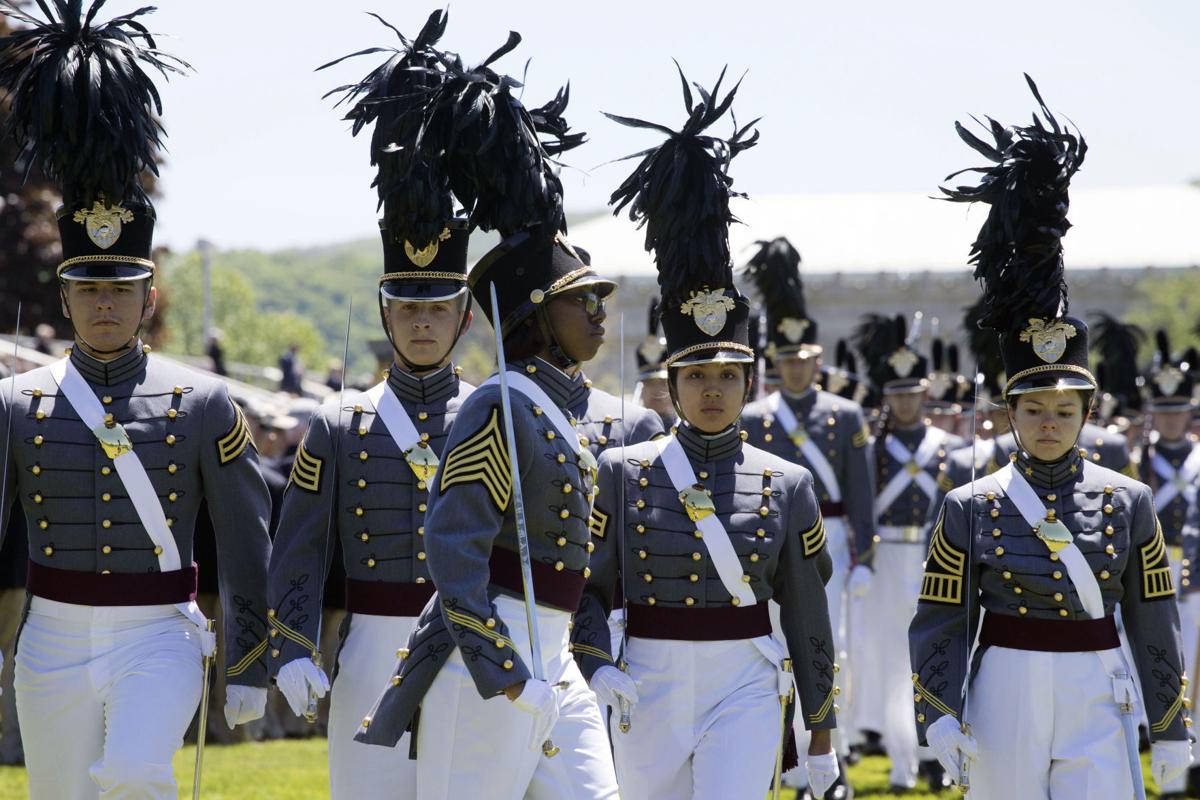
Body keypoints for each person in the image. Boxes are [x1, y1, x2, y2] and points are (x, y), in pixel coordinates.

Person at [0, 6, 273, 797]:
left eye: (121, 289)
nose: (105, 306)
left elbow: (245, 541)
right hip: (49, 634)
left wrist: (251, 660)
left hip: (160, 632)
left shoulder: (206, 404)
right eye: (89, 288)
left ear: (149, 296)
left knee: (134, 775)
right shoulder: (18, 404)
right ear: (65, 296)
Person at [354, 28, 620, 799]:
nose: (600, 313)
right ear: (536, 313)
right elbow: (454, 549)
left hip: (557, 648)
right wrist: (501, 672)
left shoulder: (560, 409)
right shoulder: (499, 406)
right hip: (493, 656)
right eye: (583, 301)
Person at [909, 75, 1192, 800]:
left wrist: (1171, 726)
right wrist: (937, 712)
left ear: (1085, 413)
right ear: (1009, 413)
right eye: (1032, 408)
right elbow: (942, 619)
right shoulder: (968, 505)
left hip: (1098, 688)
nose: (1047, 423)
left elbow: (1152, 619)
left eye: (1063, 411)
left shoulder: (1129, 501)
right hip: (1003, 686)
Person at [569, 66, 840, 800]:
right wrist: (597, 663)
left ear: (749, 382)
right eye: (696, 377)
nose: (712, 389)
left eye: (727, 376)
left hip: (745, 679)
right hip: (645, 675)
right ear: (674, 383)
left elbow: (808, 612)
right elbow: (586, 586)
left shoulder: (788, 482)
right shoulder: (623, 471)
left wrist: (820, 728)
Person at [267, 13, 477, 796]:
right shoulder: (338, 421)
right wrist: (291, 645)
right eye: (408, 308)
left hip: (474, 642)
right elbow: (299, 550)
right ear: (386, 312)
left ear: (463, 315)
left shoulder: (500, 413)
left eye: (438, 308)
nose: (423, 322)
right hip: (369, 640)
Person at [739, 236, 874, 800]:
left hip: (834, 539)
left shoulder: (846, 415)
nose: (795, 369)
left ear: (818, 359)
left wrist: (864, 552)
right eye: (785, 360)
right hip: (768, 539)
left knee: (827, 644)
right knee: (772, 643)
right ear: (775, 363)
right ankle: (781, 756)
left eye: (804, 359)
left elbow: (862, 490)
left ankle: (828, 756)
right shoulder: (754, 415)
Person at [851, 313, 961, 793]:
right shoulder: (871, 449)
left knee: (937, 658)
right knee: (892, 664)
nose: (904, 402)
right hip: (887, 558)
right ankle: (902, 762)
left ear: (925, 394)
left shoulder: (950, 448)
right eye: (896, 394)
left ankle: (938, 757)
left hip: (935, 558)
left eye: (912, 393)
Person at [1137, 332, 1200, 799]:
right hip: (1150, 572)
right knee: (1163, 667)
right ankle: (1171, 767)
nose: (1171, 419)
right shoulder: (1136, 460)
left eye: (1178, 411)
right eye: (1164, 412)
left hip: (1197, 575)